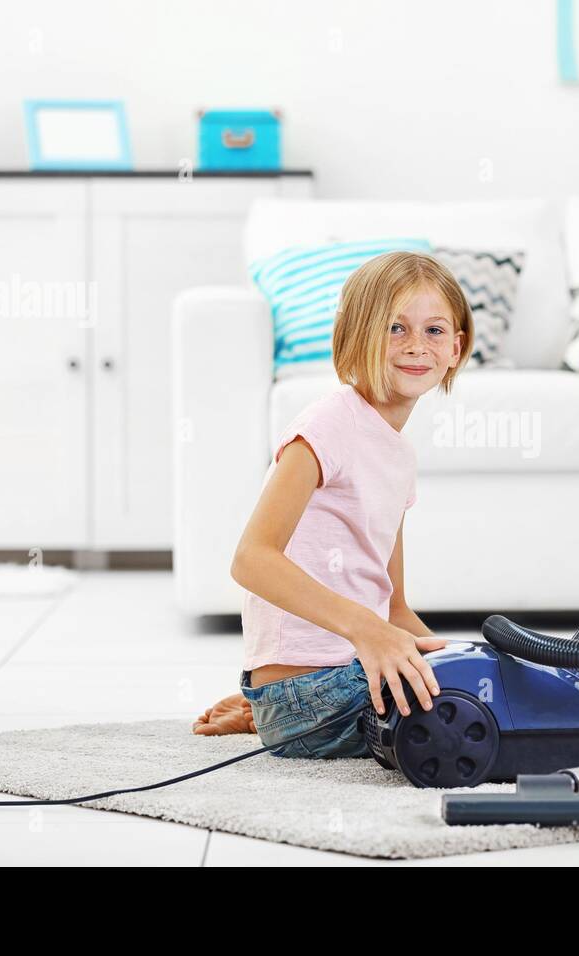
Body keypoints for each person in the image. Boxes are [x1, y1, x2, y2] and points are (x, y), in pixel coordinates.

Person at [191, 249, 474, 759]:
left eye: (434, 331)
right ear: (356, 335)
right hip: (312, 690)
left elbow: (394, 608)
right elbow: (251, 559)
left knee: (483, 685)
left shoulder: (398, 454)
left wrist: (467, 661)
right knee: (472, 728)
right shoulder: (327, 426)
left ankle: (273, 714)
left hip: (342, 677)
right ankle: (283, 714)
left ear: (456, 348)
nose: (416, 346)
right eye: (395, 328)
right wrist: (367, 631)